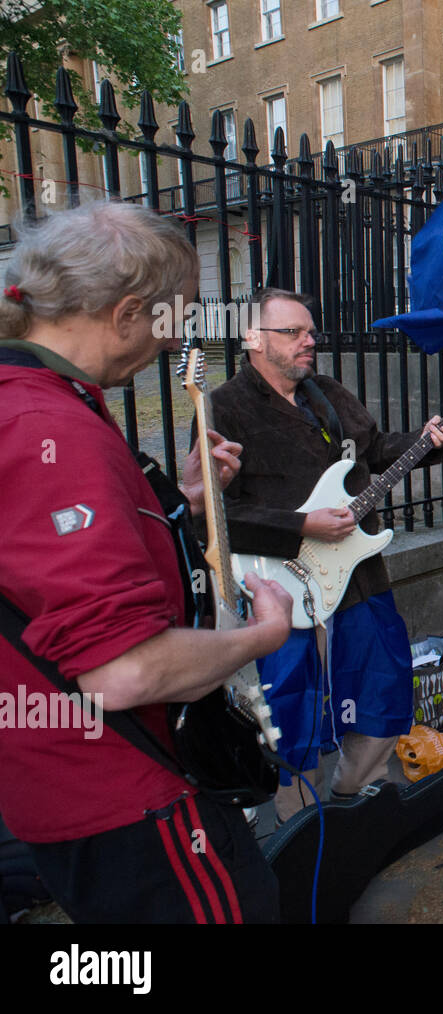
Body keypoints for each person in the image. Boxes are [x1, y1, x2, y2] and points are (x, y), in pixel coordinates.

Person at [0, 202, 293, 922]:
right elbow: (123, 669)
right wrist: (262, 637)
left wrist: (178, 504)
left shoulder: (33, 399)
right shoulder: (49, 427)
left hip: (70, 789)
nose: (173, 345)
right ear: (128, 312)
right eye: (172, 322)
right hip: (131, 794)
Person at [206, 287, 443, 824]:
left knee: (383, 681)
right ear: (253, 339)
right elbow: (218, 511)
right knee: (291, 702)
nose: (309, 341)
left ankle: (358, 790)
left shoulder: (326, 392)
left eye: (310, 331)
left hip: (360, 574)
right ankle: (300, 818)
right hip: (281, 585)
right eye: (293, 332)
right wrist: (302, 524)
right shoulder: (223, 407)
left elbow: (374, 453)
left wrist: (426, 440)